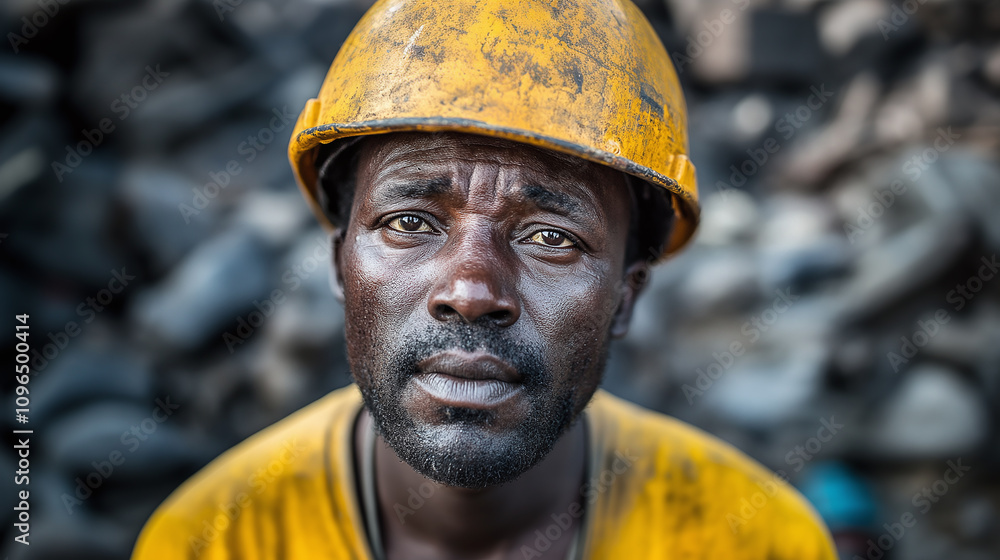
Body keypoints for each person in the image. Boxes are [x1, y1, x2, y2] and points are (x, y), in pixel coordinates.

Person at [133, 0, 836, 558]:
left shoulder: (756, 541)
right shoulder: (214, 541)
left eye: (550, 238)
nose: (470, 290)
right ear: (339, 263)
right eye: (410, 222)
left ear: (627, 297)